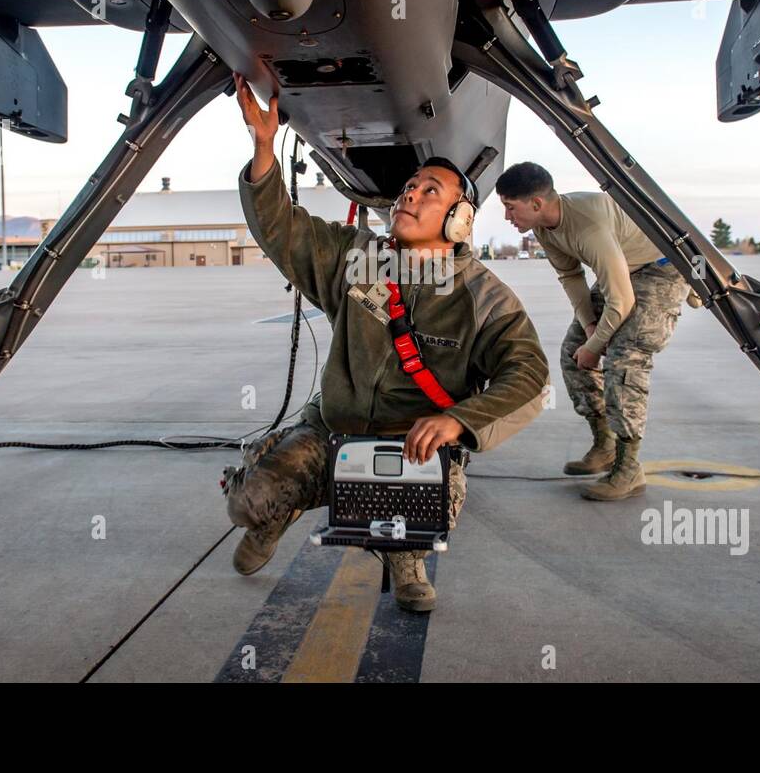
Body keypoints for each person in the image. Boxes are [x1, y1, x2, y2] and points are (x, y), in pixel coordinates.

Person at [225, 74, 548, 612]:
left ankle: (407, 560)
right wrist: (264, 153)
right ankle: (276, 515)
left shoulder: (483, 296)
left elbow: (528, 373)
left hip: (411, 445)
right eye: (409, 188)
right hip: (333, 430)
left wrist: (458, 422)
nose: (409, 196)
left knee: (431, 500)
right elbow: (283, 229)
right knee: (248, 499)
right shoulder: (358, 260)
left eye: (429, 192)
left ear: (458, 220)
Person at [496, 162, 692, 501]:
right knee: (572, 353)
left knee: (625, 357)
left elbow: (621, 301)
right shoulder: (545, 227)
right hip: (622, 273)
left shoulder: (588, 227)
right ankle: (604, 444)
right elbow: (571, 277)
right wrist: (588, 330)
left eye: (510, 207)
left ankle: (629, 467)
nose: (507, 217)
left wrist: (597, 345)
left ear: (537, 204)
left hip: (661, 271)